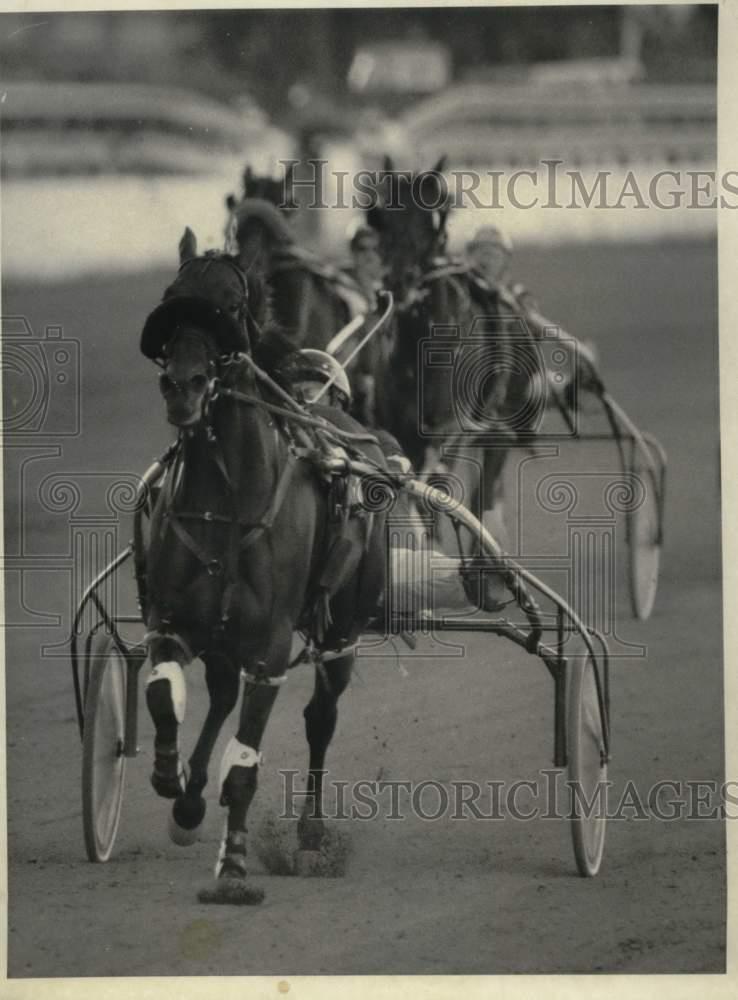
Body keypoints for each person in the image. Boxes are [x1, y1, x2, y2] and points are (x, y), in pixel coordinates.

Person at [275, 348, 508, 614]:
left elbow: (395, 470)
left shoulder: (372, 439)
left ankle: (471, 580)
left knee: (387, 567)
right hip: (286, 553)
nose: (299, 403)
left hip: (361, 551)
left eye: (307, 393)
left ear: (337, 401)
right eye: (289, 395)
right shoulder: (273, 444)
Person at [465, 225, 603, 429]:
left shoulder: (516, 294)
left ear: (504, 262)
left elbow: (534, 327)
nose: (487, 261)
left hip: (512, 384)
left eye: (494, 255)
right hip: (471, 375)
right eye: (482, 254)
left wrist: (515, 310)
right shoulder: (459, 292)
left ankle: (572, 389)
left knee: (531, 369)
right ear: (470, 257)